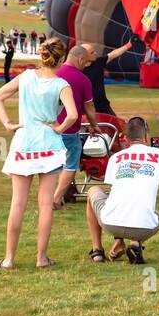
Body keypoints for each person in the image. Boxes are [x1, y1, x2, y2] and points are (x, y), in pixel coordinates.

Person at [0, 38, 77, 269]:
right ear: (60, 59)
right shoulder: (61, 85)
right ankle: (41, 258)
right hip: (49, 145)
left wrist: (8, 123)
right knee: (45, 204)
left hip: (24, 143)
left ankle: (9, 259)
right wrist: (59, 128)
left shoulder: (26, 77)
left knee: (17, 203)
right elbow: (73, 115)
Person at [86, 117, 159, 265]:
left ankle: (97, 250)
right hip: (146, 227)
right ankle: (135, 243)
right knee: (155, 214)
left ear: (126, 138)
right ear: (146, 135)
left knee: (94, 191)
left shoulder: (116, 158)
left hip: (111, 223)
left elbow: (115, 191)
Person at [53, 44, 102, 208]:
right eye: (86, 62)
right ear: (80, 59)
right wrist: (94, 125)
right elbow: (89, 107)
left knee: (52, 165)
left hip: (49, 128)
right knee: (70, 165)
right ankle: (55, 199)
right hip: (69, 130)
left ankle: (55, 196)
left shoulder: (53, 74)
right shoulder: (82, 79)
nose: (86, 66)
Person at [80, 38, 133, 116]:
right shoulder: (77, 69)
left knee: (116, 126)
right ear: (84, 56)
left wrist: (129, 45)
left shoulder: (98, 62)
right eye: (92, 52)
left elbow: (113, 54)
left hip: (104, 107)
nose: (95, 53)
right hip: (86, 110)